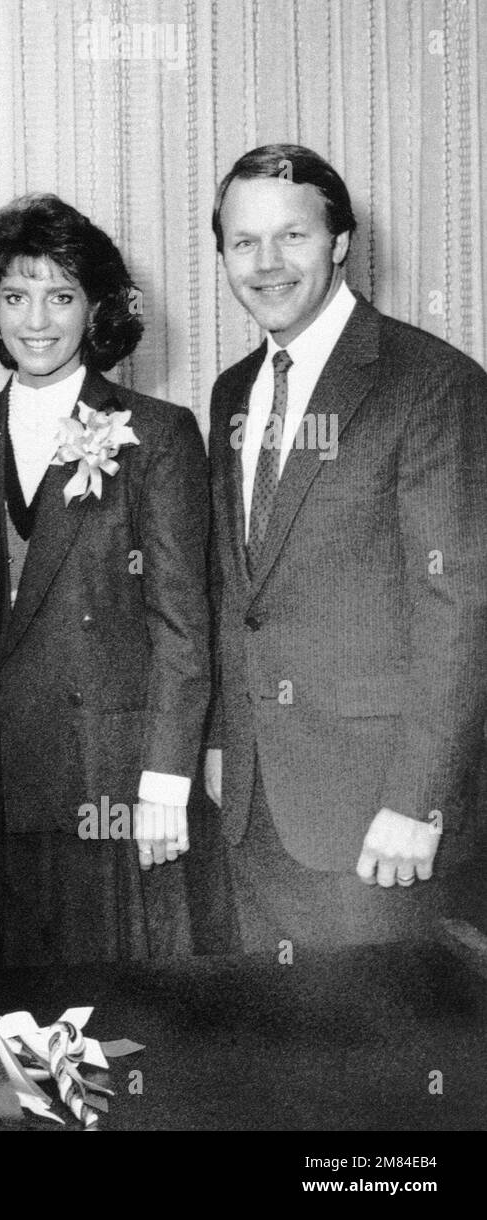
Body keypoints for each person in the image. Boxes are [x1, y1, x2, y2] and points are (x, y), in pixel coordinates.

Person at [205, 144, 487, 951]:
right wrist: (226, 741)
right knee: (276, 1062)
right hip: (255, 812)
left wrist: (416, 799)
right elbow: (241, 589)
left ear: (339, 243)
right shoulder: (235, 391)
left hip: (378, 822)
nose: (266, 264)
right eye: (242, 242)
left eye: (291, 237)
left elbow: (461, 610)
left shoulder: (432, 384)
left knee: (373, 1070)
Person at [0, 194, 210, 966]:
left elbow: (183, 625)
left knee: (122, 1026)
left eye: (61, 296)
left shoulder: (158, 434)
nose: (37, 319)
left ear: (95, 309)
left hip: (111, 781)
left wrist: (166, 779)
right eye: (16, 296)